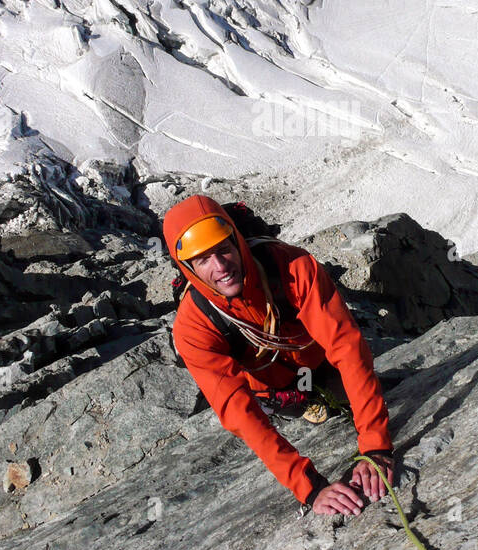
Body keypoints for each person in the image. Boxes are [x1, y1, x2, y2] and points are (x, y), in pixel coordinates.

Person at [162, 194, 394, 516]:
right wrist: (309, 487)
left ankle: (320, 394)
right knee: (312, 397)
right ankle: (308, 398)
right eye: (203, 259)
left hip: (319, 363)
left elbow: (347, 347)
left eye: (224, 250)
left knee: (350, 387)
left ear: (237, 241)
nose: (220, 267)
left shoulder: (293, 267)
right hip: (277, 389)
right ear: (187, 267)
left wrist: (376, 445)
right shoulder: (194, 327)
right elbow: (238, 410)